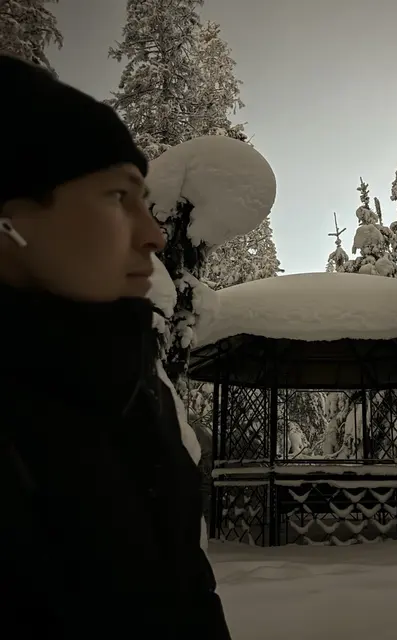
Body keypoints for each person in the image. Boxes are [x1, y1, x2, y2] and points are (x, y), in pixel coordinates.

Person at [0, 54, 231, 639]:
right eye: (115, 196)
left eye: (144, 202)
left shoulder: (133, 384)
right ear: (9, 219)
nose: (152, 234)